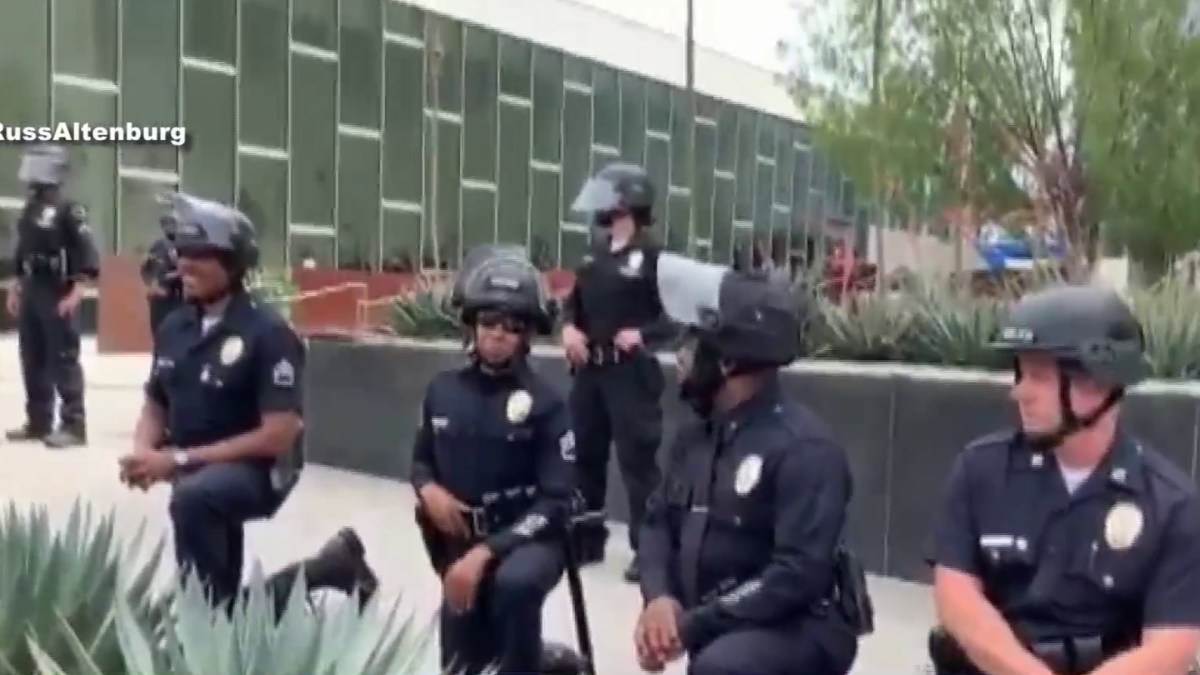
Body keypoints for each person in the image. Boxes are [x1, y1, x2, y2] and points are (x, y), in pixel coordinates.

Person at [928, 284, 1200, 675]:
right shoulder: (981, 469)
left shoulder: (1170, 504)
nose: (1019, 392)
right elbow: (956, 595)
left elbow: (1172, 647)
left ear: (1098, 383)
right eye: (1020, 373)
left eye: (1038, 376)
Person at [634, 254, 869, 675]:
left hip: (802, 626)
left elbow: (798, 575)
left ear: (728, 362)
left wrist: (690, 627)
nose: (683, 360)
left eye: (695, 345)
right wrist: (658, 600)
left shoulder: (804, 448)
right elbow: (656, 523)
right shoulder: (696, 435)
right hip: (717, 620)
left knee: (720, 667)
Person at [118, 193, 327, 610]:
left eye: (201, 254)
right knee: (203, 508)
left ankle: (207, 620)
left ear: (233, 264)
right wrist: (143, 451)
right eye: (183, 252)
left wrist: (176, 461)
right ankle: (327, 570)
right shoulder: (175, 326)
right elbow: (156, 400)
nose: (185, 263)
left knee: (196, 500)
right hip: (199, 465)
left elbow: (279, 434)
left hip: (261, 468)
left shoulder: (268, 332)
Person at [412, 245, 586, 674]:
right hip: (458, 540)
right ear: (471, 324)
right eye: (489, 320)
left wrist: (487, 551)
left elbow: (555, 501)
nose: (499, 332)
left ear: (528, 334)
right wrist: (428, 489)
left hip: (530, 539)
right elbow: (420, 462)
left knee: (514, 584)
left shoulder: (548, 404)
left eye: (514, 324)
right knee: (460, 661)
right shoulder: (443, 390)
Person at [564, 162, 674, 582]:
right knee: (584, 457)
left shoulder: (654, 259)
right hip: (590, 373)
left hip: (630, 375)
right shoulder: (594, 256)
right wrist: (569, 329)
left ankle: (647, 551)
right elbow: (574, 304)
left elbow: (674, 319)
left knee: (637, 464)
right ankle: (586, 539)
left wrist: (643, 335)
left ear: (629, 203)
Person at [5, 144, 99, 449]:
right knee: (32, 357)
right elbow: (23, 249)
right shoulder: (30, 208)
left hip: (57, 289)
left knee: (63, 357)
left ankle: (73, 424)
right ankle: (38, 421)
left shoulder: (70, 209)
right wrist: (16, 286)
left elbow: (87, 251)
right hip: (32, 287)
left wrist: (78, 290)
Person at [141, 209, 184, 337]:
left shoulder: (185, 245)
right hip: (159, 297)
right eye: (165, 223)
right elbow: (146, 268)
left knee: (176, 333)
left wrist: (171, 277)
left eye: (173, 222)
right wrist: (151, 285)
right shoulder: (158, 245)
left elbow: (187, 271)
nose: (169, 226)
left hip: (177, 296)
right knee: (158, 332)